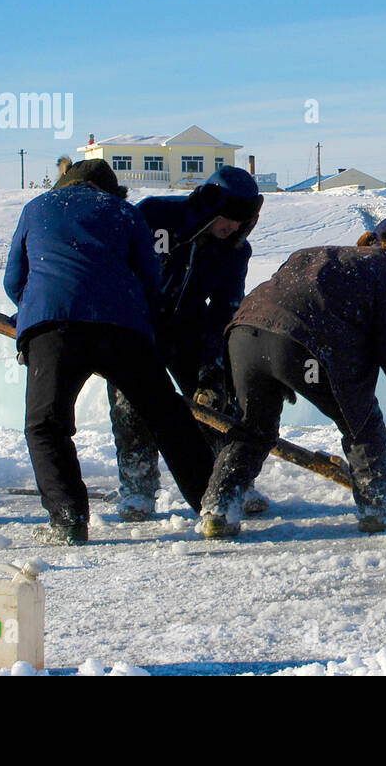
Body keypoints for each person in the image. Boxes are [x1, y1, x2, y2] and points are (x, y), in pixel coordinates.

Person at [200, 217, 386, 536]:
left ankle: (219, 510)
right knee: (362, 423)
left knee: (253, 428)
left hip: (243, 335)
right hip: (301, 342)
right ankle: (378, 508)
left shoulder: (319, 254)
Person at [4, 159, 214, 545]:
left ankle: (68, 518)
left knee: (46, 425)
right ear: (111, 189)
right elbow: (150, 276)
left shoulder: (36, 208)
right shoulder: (124, 211)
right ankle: (213, 504)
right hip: (122, 326)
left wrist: (33, 310)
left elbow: (14, 278)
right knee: (168, 416)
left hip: (55, 324)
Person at [108, 165, 266, 521]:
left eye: (242, 223)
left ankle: (227, 483)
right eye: (228, 219)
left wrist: (213, 367)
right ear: (209, 204)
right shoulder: (154, 215)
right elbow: (116, 267)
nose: (233, 228)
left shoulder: (235, 249)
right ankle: (137, 489)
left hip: (186, 329)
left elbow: (224, 308)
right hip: (135, 326)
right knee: (130, 406)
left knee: (216, 402)